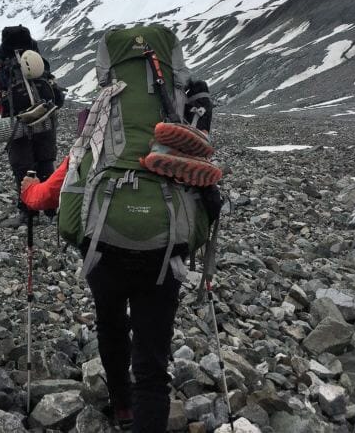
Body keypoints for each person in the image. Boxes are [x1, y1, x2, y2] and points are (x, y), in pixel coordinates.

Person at [21, 25, 221, 433]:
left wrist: (28, 193)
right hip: (166, 247)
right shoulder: (181, 117)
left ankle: (122, 407)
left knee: (111, 325)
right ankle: (145, 411)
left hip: (104, 241)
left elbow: (63, 181)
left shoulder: (98, 121)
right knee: (153, 362)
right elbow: (205, 186)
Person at [0, 25, 63, 226]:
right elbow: (58, 98)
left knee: (23, 167)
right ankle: (51, 211)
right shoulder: (39, 63)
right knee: (45, 163)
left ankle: (28, 212)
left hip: (18, 124)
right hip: (45, 122)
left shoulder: (5, 67)